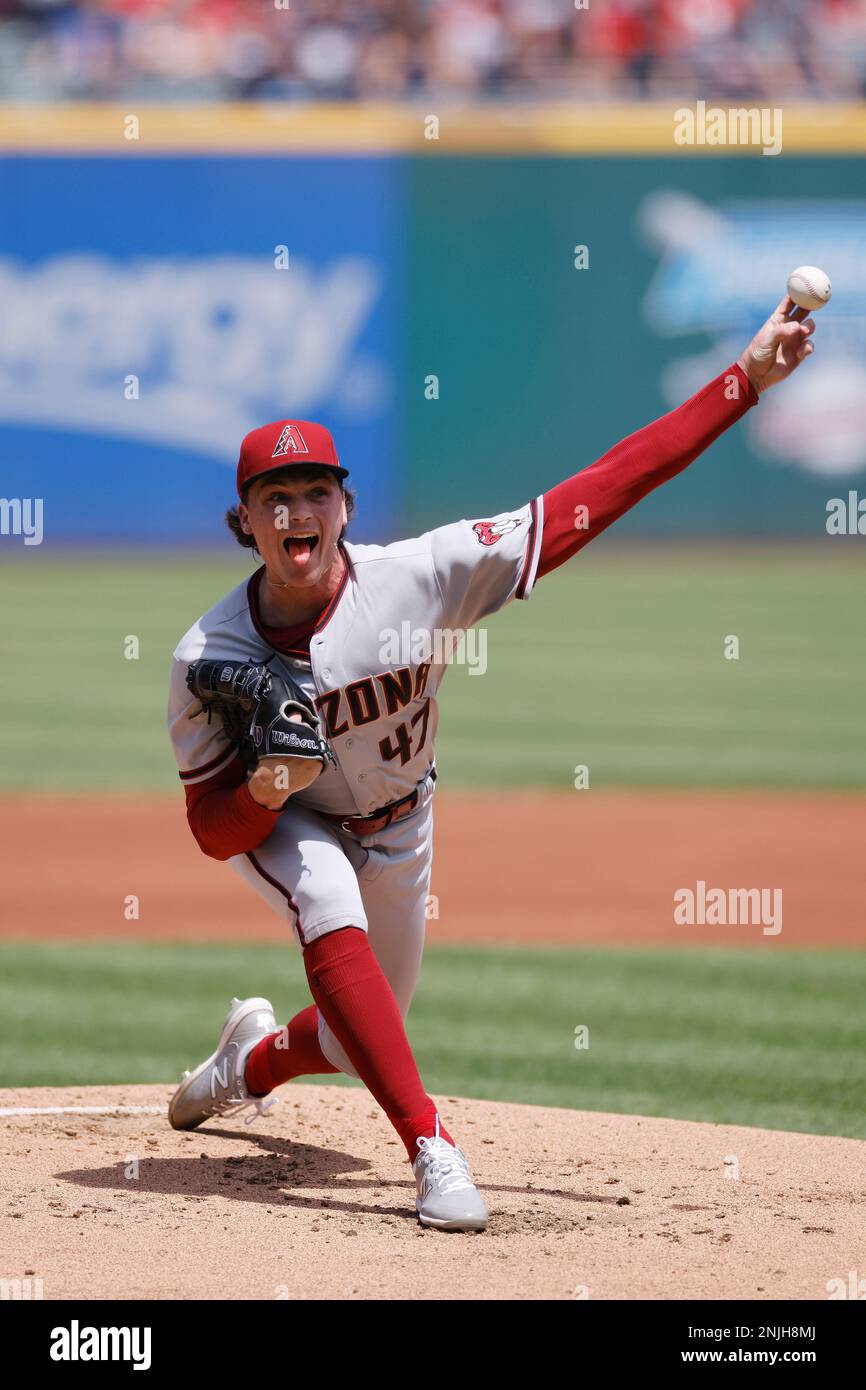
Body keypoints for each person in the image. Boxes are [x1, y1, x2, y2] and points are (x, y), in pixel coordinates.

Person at [166, 297, 815, 1232]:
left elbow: (596, 493)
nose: (297, 511)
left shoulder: (422, 576)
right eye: (276, 498)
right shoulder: (206, 657)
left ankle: (249, 1058)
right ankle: (434, 1149)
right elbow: (208, 828)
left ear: (346, 506)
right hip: (295, 826)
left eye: (316, 492)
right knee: (324, 896)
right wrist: (267, 786)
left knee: (359, 1037)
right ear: (246, 523)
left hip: (404, 820)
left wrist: (743, 382)